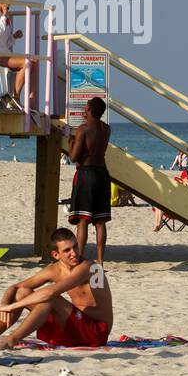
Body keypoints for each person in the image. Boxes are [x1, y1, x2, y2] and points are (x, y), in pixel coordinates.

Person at [0, 227, 113, 350]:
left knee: (51, 298)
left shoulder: (88, 267)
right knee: (22, 292)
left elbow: (51, 292)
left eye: (75, 247)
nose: (74, 253)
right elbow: (17, 286)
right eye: (67, 250)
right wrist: (4, 304)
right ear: (56, 255)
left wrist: (13, 307)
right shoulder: (54, 269)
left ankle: (12, 340)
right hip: (72, 327)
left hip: (96, 332)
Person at [68, 97, 112, 266]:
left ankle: (79, 258)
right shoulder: (106, 129)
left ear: (89, 110)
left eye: (85, 109)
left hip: (86, 174)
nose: (83, 111)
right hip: (102, 173)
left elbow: (74, 157)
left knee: (83, 219)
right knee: (100, 221)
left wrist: (71, 141)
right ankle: (100, 260)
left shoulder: (83, 129)